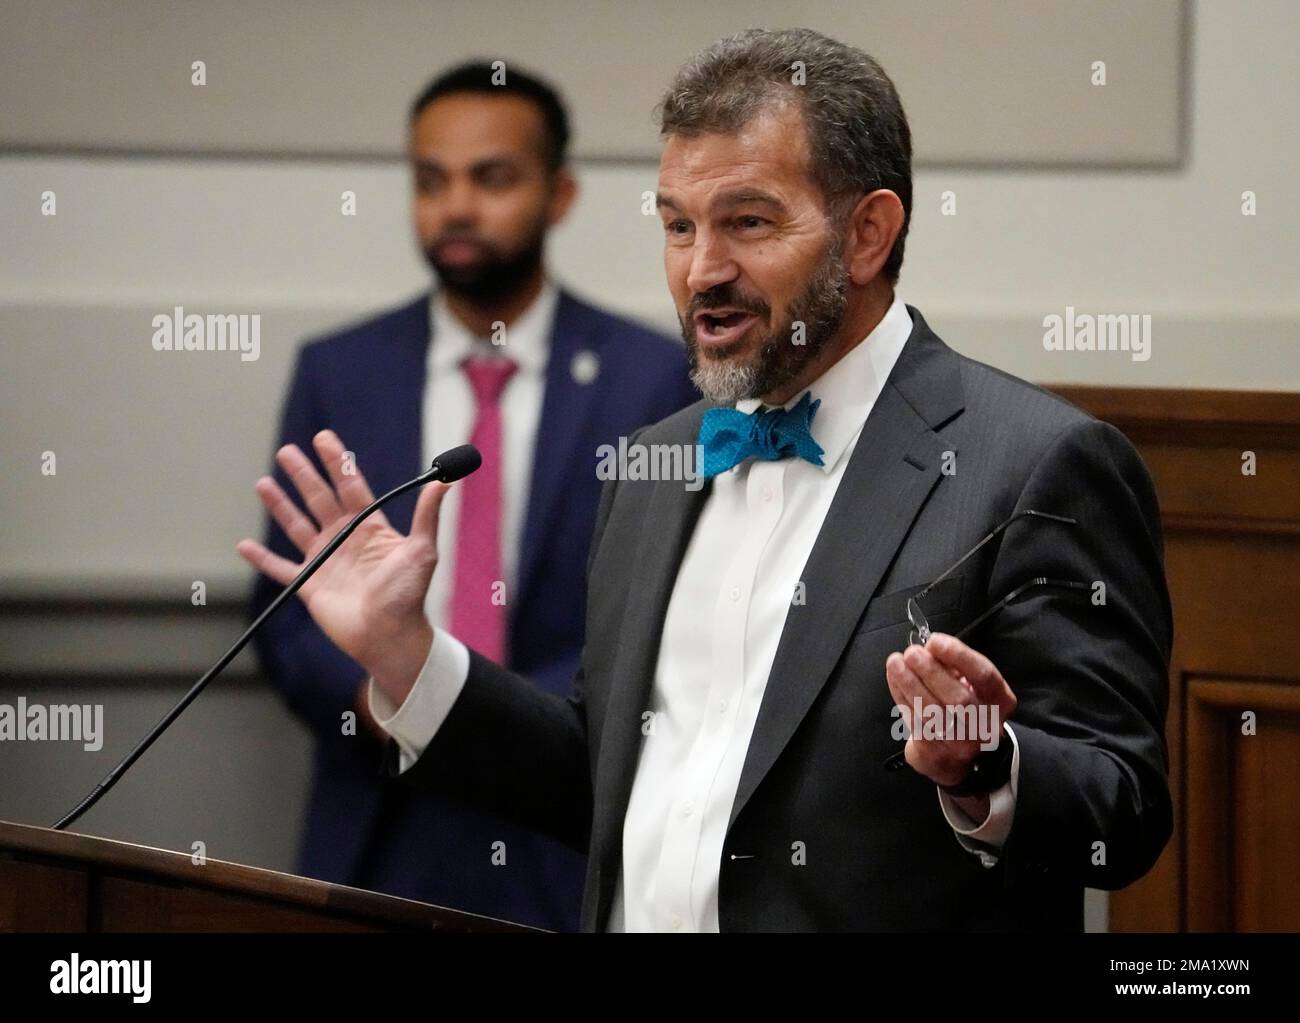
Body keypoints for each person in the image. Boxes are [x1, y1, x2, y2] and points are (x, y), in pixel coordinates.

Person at [239, 30, 1172, 931]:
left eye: (748, 222)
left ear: (868, 234)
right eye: (678, 226)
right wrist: (408, 657)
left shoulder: (1037, 462)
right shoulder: (655, 462)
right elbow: (597, 779)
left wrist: (984, 767)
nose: (701, 271)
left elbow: (1121, 813)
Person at [248, 61, 696, 931]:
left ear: (559, 193)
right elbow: (285, 611)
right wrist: (391, 694)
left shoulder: (656, 377)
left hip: (567, 821)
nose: (456, 206)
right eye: (430, 180)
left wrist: (492, 722)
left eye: (492, 178)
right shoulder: (339, 371)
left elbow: (668, 608)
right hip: (380, 811)